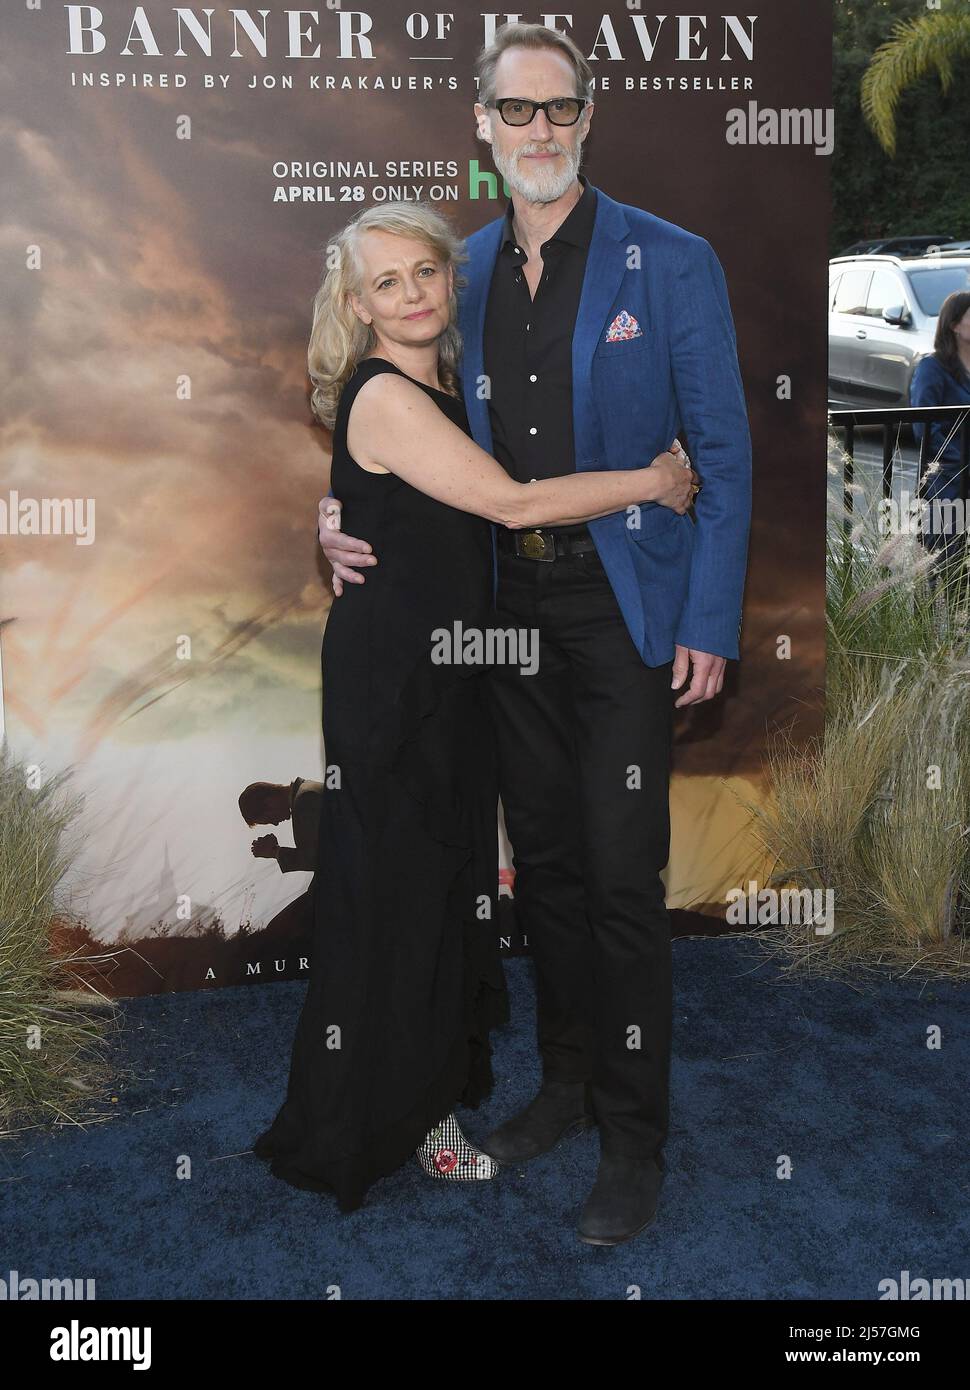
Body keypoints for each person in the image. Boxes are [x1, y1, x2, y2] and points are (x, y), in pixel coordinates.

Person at [319, 22, 752, 1245]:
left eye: (559, 109)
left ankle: (633, 1136)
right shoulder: (454, 271)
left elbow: (718, 452)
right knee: (547, 872)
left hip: (623, 612)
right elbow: (406, 427)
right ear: (483, 128)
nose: (540, 131)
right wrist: (337, 512)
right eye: (517, 113)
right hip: (502, 616)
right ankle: (561, 1087)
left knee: (619, 877)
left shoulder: (671, 261)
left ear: (588, 118)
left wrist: (708, 616)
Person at [251, 197, 698, 1214]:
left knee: (444, 888)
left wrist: (337, 516)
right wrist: (656, 479)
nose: (409, 294)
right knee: (397, 894)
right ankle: (367, 1122)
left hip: (458, 674)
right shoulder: (384, 395)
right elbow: (509, 504)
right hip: (395, 683)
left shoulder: (448, 381)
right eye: (385, 282)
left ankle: (425, 1097)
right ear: (355, 304)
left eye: (424, 272)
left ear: (452, 278)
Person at [910, 290, 970, 565]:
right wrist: (956, 463)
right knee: (947, 570)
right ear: (954, 325)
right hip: (946, 482)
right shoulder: (932, 367)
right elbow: (924, 426)